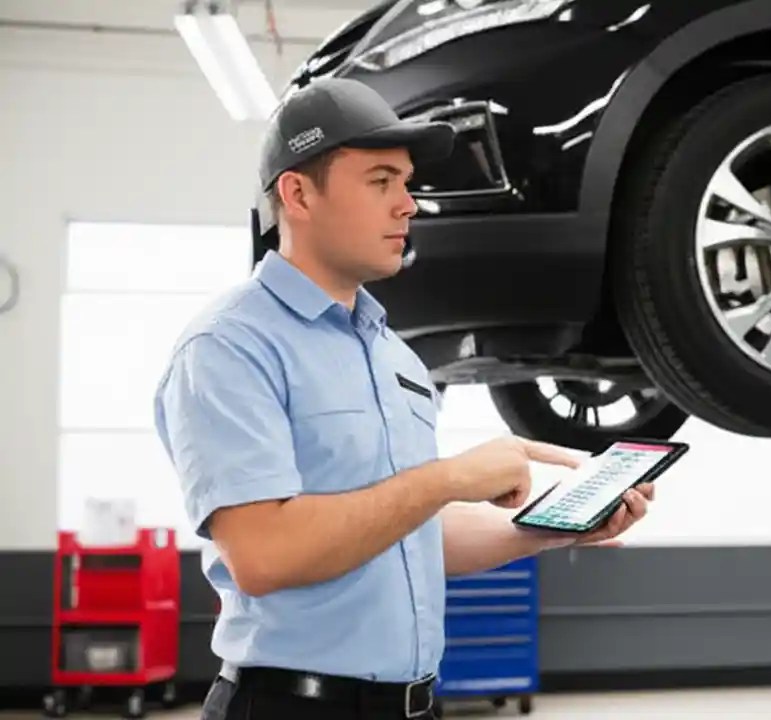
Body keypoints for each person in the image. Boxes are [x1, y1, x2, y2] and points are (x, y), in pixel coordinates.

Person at [153, 77, 656, 720]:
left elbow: (405, 534)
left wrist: (550, 530)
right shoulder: (230, 347)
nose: (408, 205)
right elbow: (264, 554)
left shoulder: (392, 353)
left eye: (407, 182)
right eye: (381, 180)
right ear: (298, 193)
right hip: (292, 707)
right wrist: (447, 478)